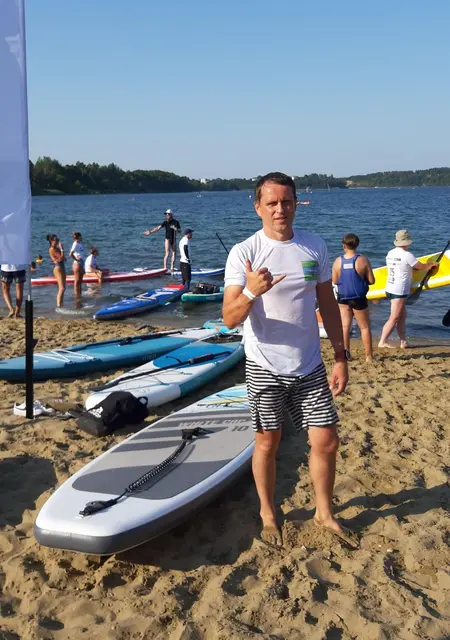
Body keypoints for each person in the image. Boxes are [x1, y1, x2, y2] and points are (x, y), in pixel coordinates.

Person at [222, 172, 352, 548]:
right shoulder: (244, 252)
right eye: (272, 203)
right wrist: (251, 291)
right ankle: (268, 512)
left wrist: (340, 356)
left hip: (309, 364)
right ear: (258, 207)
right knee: (268, 443)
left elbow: (327, 304)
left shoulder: (314, 246)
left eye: (287, 201)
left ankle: (324, 513)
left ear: (296, 203)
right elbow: (229, 318)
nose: (280, 209)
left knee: (327, 441)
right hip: (264, 365)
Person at [378, 230, 435, 349]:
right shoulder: (407, 255)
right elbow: (421, 267)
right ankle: (382, 342)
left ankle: (403, 342)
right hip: (399, 291)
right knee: (394, 318)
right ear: (407, 242)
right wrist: (431, 265)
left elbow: (401, 266)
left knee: (402, 316)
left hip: (390, 287)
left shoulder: (390, 253)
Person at [332, 233, 375, 361]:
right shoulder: (363, 260)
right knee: (364, 327)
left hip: (343, 297)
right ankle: (368, 356)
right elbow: (372, 281)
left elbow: (335, 280)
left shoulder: (337, 261)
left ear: (344, 246)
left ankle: (346, 354)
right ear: (357, 245)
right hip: (358, 298)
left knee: (345, 326)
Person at [47, 234, 66, 308]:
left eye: (58, 240)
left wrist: (61, 251)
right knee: (62, 288)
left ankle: (61, 304)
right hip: (58, 268)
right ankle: (58, 306)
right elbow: (60, 258)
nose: (58, 241)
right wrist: (62, 249)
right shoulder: (52, 249)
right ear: (51, 241)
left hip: (62, 266)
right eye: (56, 240)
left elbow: (63, 258)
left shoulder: (57, 248)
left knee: (63, 288)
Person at [69, 232, 85, 298]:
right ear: (79, 237)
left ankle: (79, 295)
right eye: (81, 236)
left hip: (81, 262)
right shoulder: (75, 244)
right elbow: (70, 254)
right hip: (77, 263)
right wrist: (76, 259)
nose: (82, 237)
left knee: (80, 281)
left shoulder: (79, 243)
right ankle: (76, 296)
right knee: (77, 281)